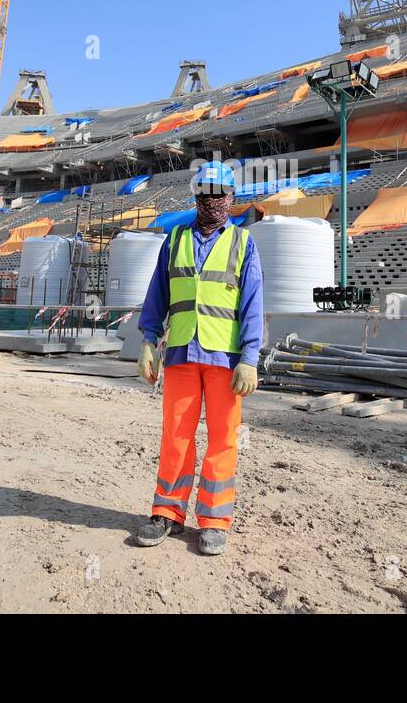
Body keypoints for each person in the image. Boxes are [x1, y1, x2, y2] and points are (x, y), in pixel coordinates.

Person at [134, 161, 264, 556]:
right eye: (204, 194)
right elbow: (158, 295)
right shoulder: (173, 240)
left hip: (226, 359)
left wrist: (251, 356)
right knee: (175, 435)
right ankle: (167, 513)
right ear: (196, 197)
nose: (211, 202)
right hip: (181, 355)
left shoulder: (243, 243)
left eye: (218, 194)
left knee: (223, 439)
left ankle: (214, 521)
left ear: (231, 198)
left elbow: (253, 301)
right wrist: (147, 341)